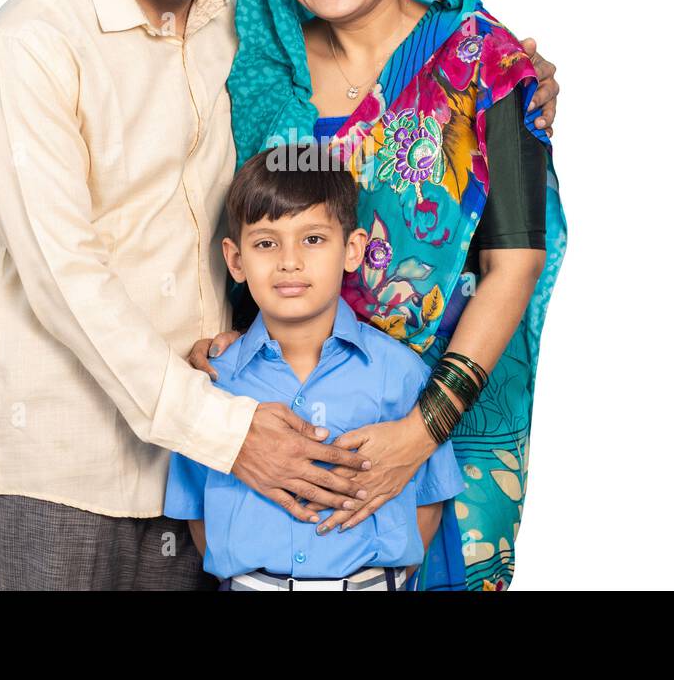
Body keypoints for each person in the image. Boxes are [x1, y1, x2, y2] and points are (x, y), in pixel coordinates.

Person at [0, 0, 561, 590]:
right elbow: (69, 276)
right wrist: (228, 418)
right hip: (122, 459)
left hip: (353, 433)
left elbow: (505, 250)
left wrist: (511, 88)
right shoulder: (75, 44)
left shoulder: (252, 36)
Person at [193, 0, 569, 591]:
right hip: (298, 414)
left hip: (457, 419)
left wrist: (416, 434)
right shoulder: (266, 75)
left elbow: (516, 259)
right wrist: (222, 352)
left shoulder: (481, 61)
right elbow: (248, 236)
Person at [164, 149, 466, 590]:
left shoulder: (400, 372)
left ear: (353, 249)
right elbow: (196, 509)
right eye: (267, 243)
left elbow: (426, 501)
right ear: (235, 260)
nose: (289, 261)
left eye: (313, 239)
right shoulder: (213, 382)